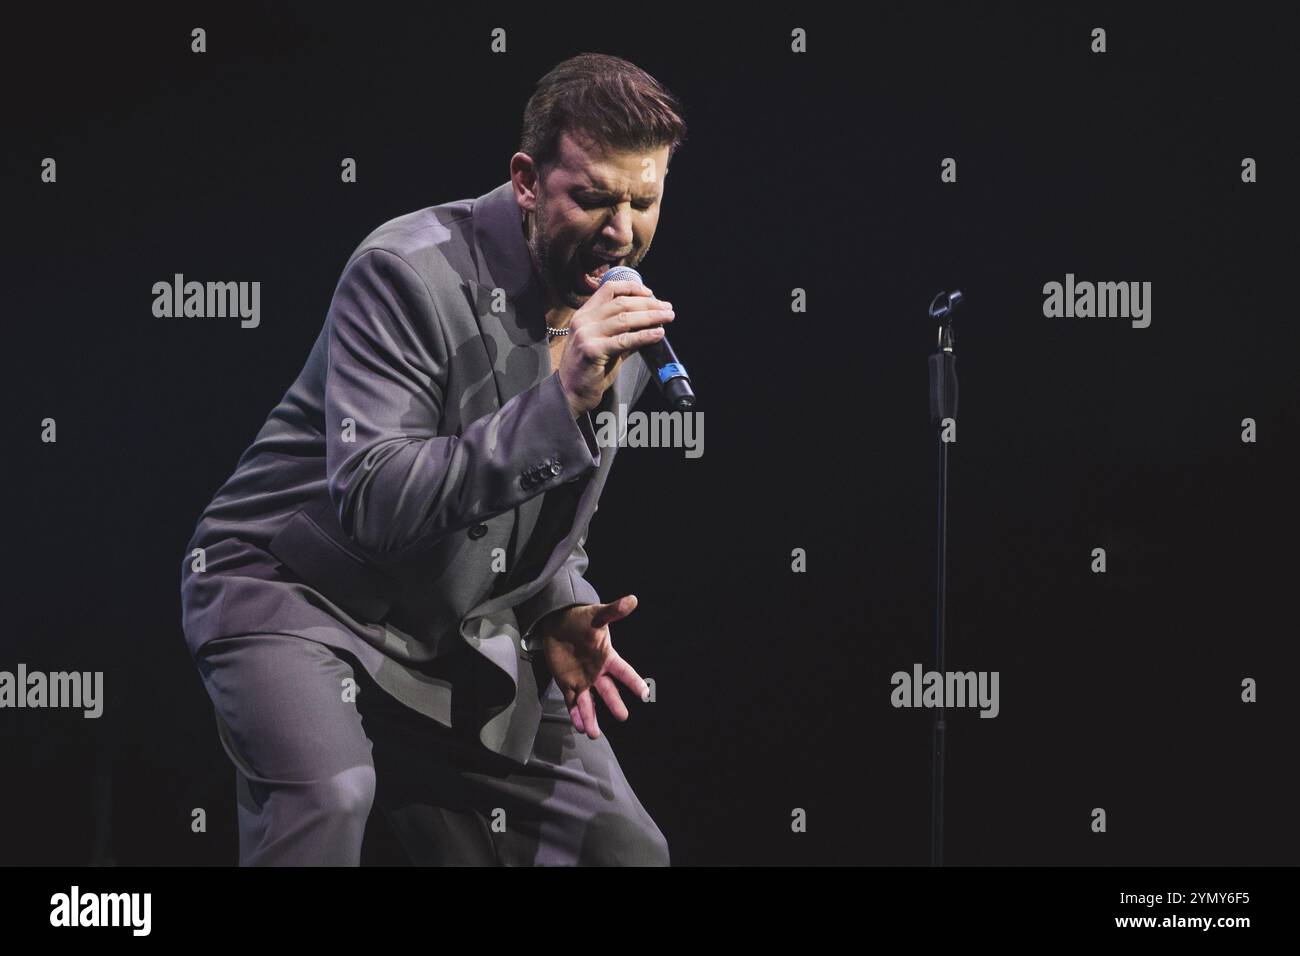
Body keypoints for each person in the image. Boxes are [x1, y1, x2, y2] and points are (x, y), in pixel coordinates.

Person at [179, 52, 686, 865]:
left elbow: (546, 522)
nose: (621, 230)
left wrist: (558, 601)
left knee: (621, 848)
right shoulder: (405, 272)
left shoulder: (609, 321)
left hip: (448, 631)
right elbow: (375, 501)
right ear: (526, 181)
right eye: (591, 197)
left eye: (644, 200)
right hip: (297, 595)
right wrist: (560, 402)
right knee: (330, 797)